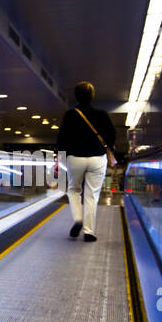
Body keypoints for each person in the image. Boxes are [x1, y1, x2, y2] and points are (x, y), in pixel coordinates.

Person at [55, 81, 116, 242]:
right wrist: (109, 148)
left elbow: (62, 140)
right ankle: (89, 232)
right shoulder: (102, 114)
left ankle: (78, 219)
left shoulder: (70, 115)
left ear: (76, 96)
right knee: (92, 195)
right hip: (97, 158)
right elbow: (111, 135)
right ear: (92, 95)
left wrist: (58, 160)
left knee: (74, 190)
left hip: (75, 158)